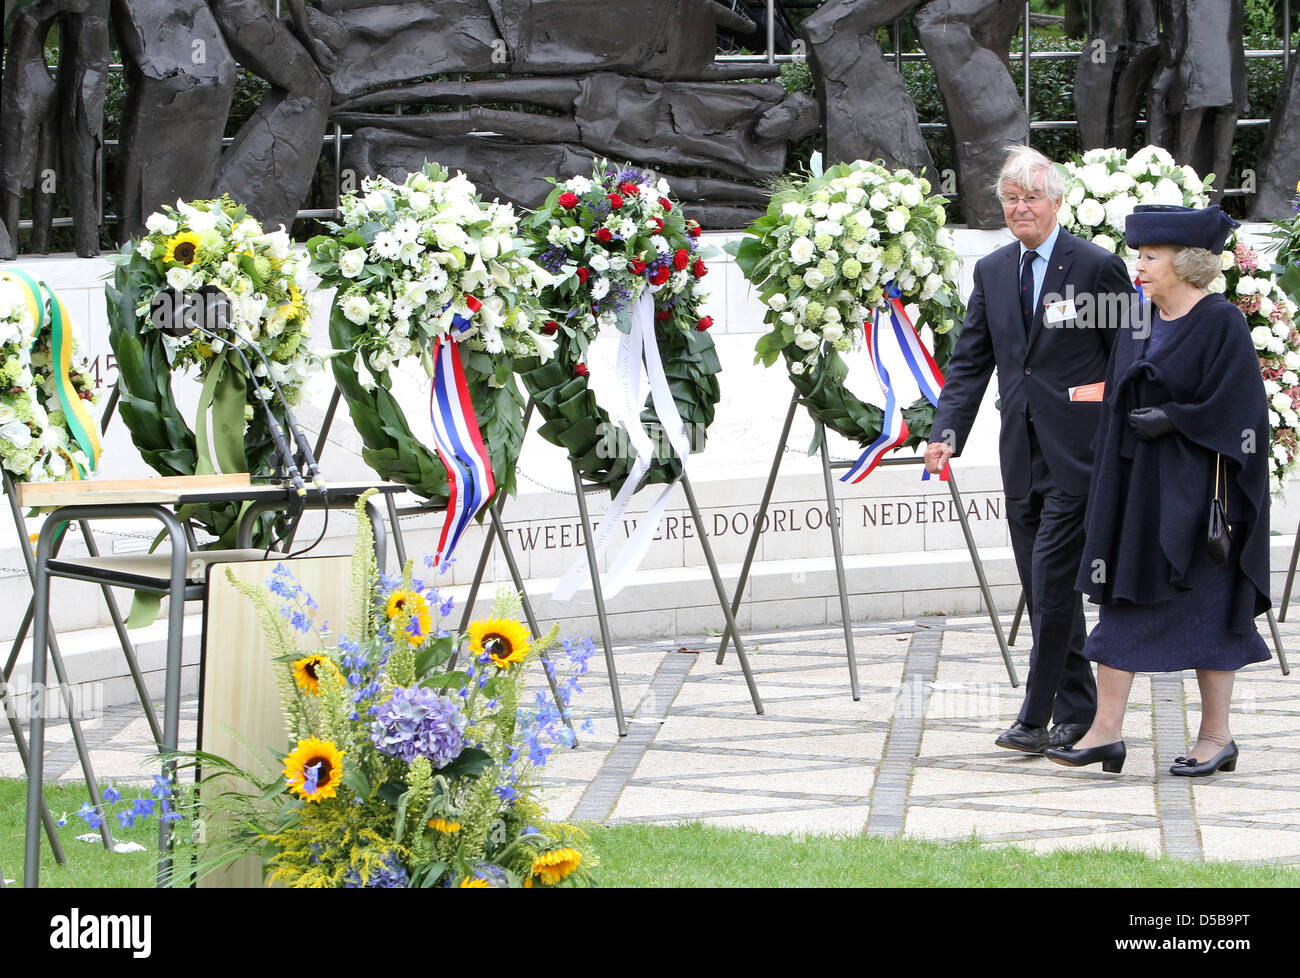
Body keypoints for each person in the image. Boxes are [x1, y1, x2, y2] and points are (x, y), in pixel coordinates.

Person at [1046, 204, 1272, 776]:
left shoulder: (1222, 321)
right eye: (1138, 256)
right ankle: (1105, 732)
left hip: (1198, 501)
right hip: (1138, 495)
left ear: (1188, 263)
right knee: (1122, 603)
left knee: (1212, 614)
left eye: (1150, 257)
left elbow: (1243, 410)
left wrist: (1175, 418)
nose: (1138, 267)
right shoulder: (1138, 319)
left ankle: (1217, 737)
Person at [926, 145, 1135, 754]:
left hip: (1081, 451)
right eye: (1011, 200)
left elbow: (1132, 348)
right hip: (1020, 450)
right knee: (1047, 586)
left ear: (1058, 201)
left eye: (1031, 197)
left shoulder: (1095, 266)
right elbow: (969, 363)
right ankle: (1079, 712)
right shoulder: (992, 271)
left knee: (1050, 581)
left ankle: (1034, 715)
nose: (1021, 209)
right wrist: (946, 433)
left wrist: (1103, 402)